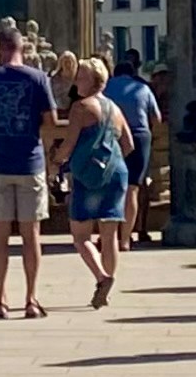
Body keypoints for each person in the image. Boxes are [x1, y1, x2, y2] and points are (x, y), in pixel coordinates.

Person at [0, 23, 60, 320]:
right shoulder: (39, 78)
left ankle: (1, 298)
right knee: (31, 235)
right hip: (30, 162)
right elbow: (51, 122)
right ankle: (31, 299)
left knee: (0, 236)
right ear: (23, 48)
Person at [57, 57, 134, 307]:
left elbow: (68, 144)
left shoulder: (81, 108)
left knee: (81, 235)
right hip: (116, 172)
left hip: (89, 175)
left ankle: (101, 278)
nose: (76, 80)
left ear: (94, 81)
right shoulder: (115, 108)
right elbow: (129, 145)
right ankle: (108, 284)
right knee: (109, 234)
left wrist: (56, 159)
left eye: (82, 76)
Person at [103, 49, 162, 243]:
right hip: (139, 135)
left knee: (111, 185)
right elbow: (157, 118)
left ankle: (110, 235)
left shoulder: (106, 87)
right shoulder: (142, 88)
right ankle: (126, 239)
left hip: (113, 136)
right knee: (132, 188)